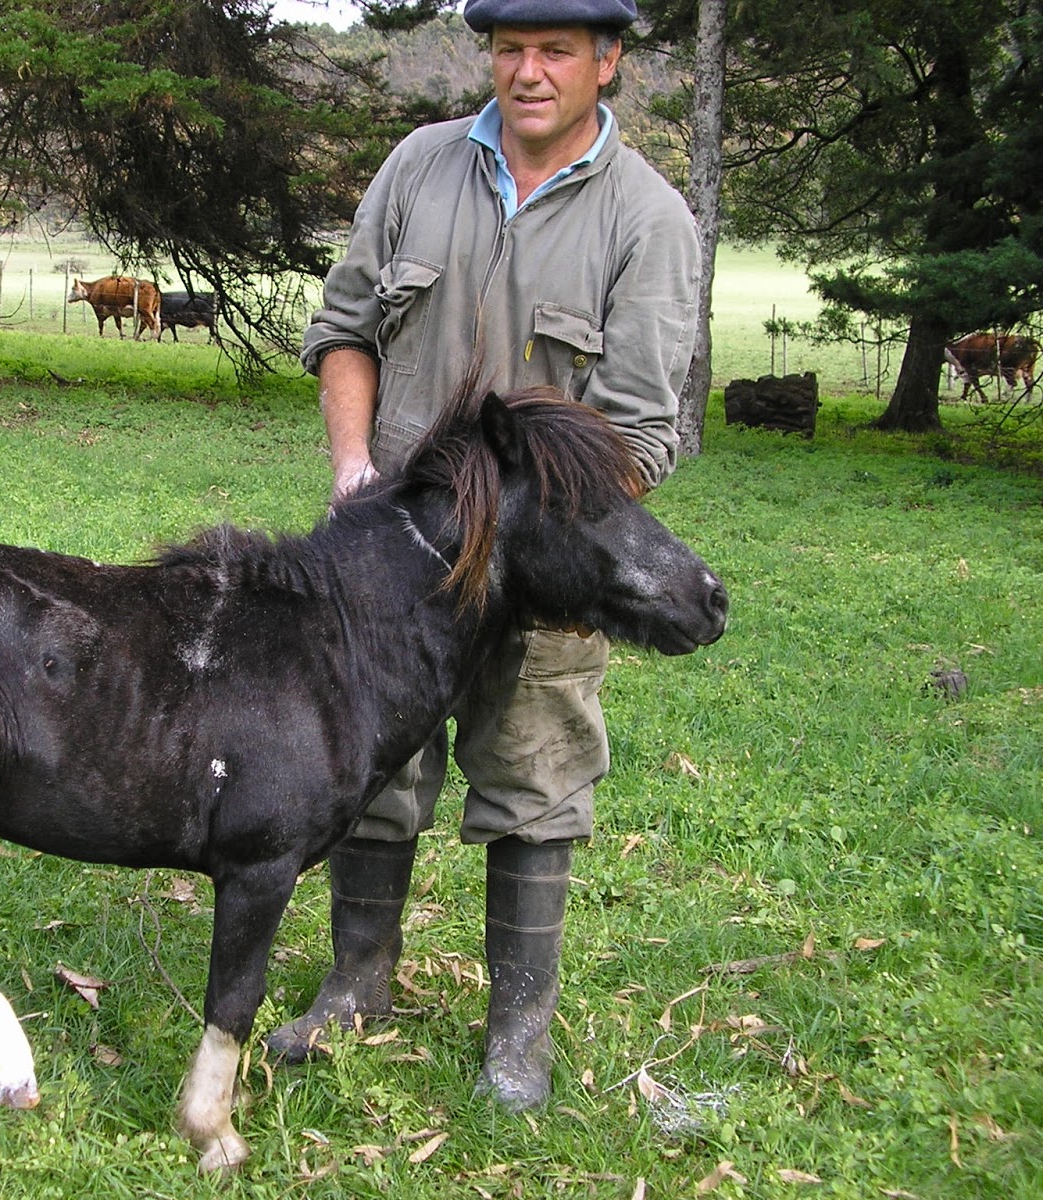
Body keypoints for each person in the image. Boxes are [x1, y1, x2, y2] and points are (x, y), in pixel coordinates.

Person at [266, 0, 701, 1113]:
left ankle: (518, 1034)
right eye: (510, 48)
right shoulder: (418, 166)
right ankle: (359, 984)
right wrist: (354, 468)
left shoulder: (647, 219)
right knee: (368, 776)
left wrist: (538, 546)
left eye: (556, 50)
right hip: (386, 568)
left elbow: (641, 434)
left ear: (608, 64)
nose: (529, 70)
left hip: (542, 575)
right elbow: (347, 330)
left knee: (535, 783)